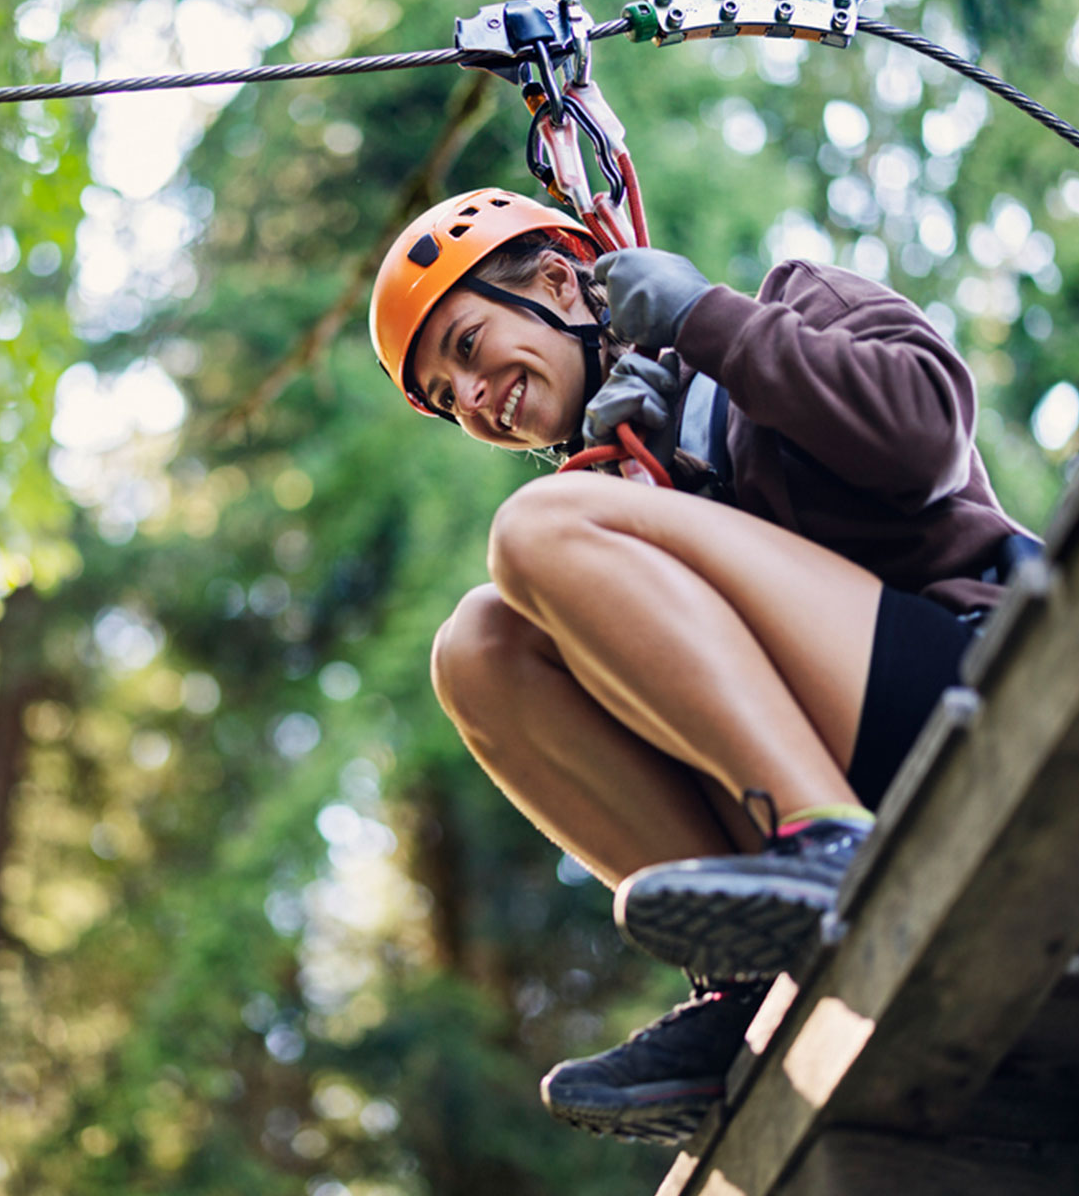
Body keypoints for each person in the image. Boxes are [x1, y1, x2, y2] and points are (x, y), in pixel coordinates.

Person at [366, 187, 1038, 1145]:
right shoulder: (608, 508)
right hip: (845, 764)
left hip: (959, 691)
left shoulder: (789, 302)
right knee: (479, 648)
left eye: (467, 349)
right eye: (448, 398)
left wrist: (703, 324)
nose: (472, 400)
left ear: (560, 280)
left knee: (533, 529)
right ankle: (746, 969)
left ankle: (825, 846)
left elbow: (926, 435)